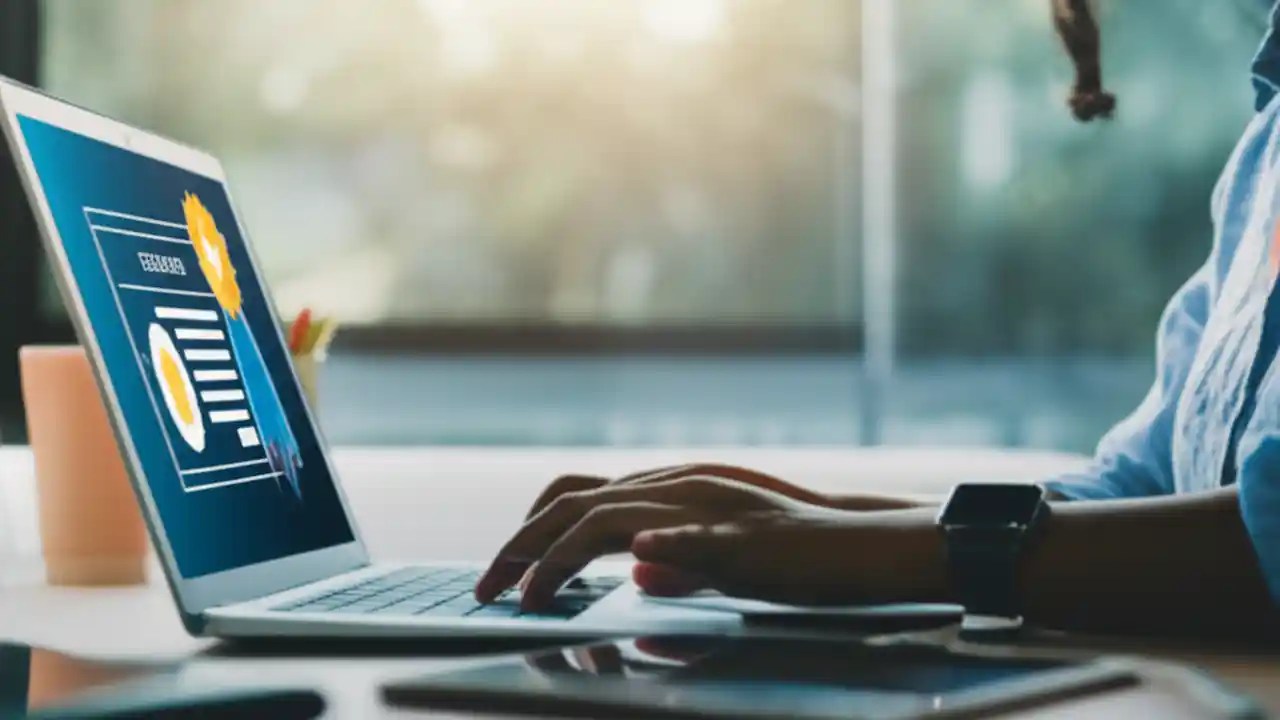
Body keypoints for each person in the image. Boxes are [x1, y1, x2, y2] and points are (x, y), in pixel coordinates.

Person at [474, 1, 1280, 638]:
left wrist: (858, 554)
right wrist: (805, 518)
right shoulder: (1263, 148)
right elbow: (1135, 497)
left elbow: (1260, 541)